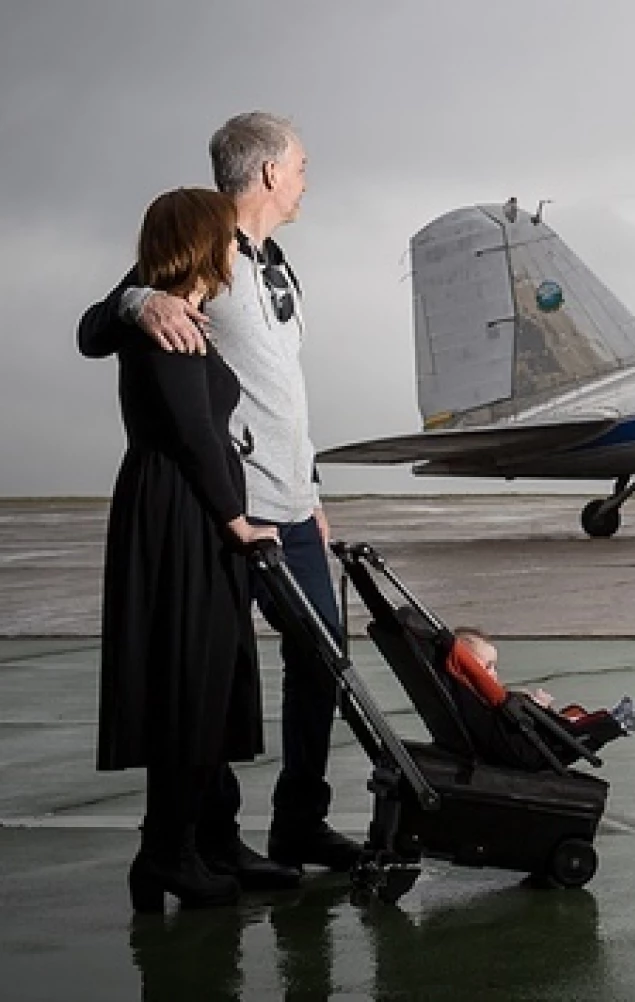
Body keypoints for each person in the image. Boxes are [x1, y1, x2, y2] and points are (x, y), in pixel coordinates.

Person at [77, 112, 361, 873]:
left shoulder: (277, 264)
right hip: (229, 505)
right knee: (215, 673)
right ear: (268, 171)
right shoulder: (202, 248)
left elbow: (282, 388)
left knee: (323, 660)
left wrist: (311, 486)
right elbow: (94, 329)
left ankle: (299, 821)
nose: (306, 181)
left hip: (291, 503)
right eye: (301, 166)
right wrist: (138, 302)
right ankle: (215, 836)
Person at [93, 188, 287, 912]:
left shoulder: (183, 316)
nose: (237, 248)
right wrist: (237, 522)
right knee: (187, 681)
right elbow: (194, 434)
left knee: (205, 680)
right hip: (181, 513)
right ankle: (167, 854)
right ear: (206, 242)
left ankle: (198, 843)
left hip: (185, 508)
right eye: (227, 237)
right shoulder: (167, 323)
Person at [450, 628, 635, 754]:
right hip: (525, 742)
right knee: (566, 730)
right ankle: (610, 723)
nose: (494, 673)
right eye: (487, 667)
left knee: (563, 719)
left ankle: (605, 720)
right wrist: (531, 704)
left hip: (517, 733)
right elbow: (505, 714)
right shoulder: (479, 696)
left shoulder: (467, 697)